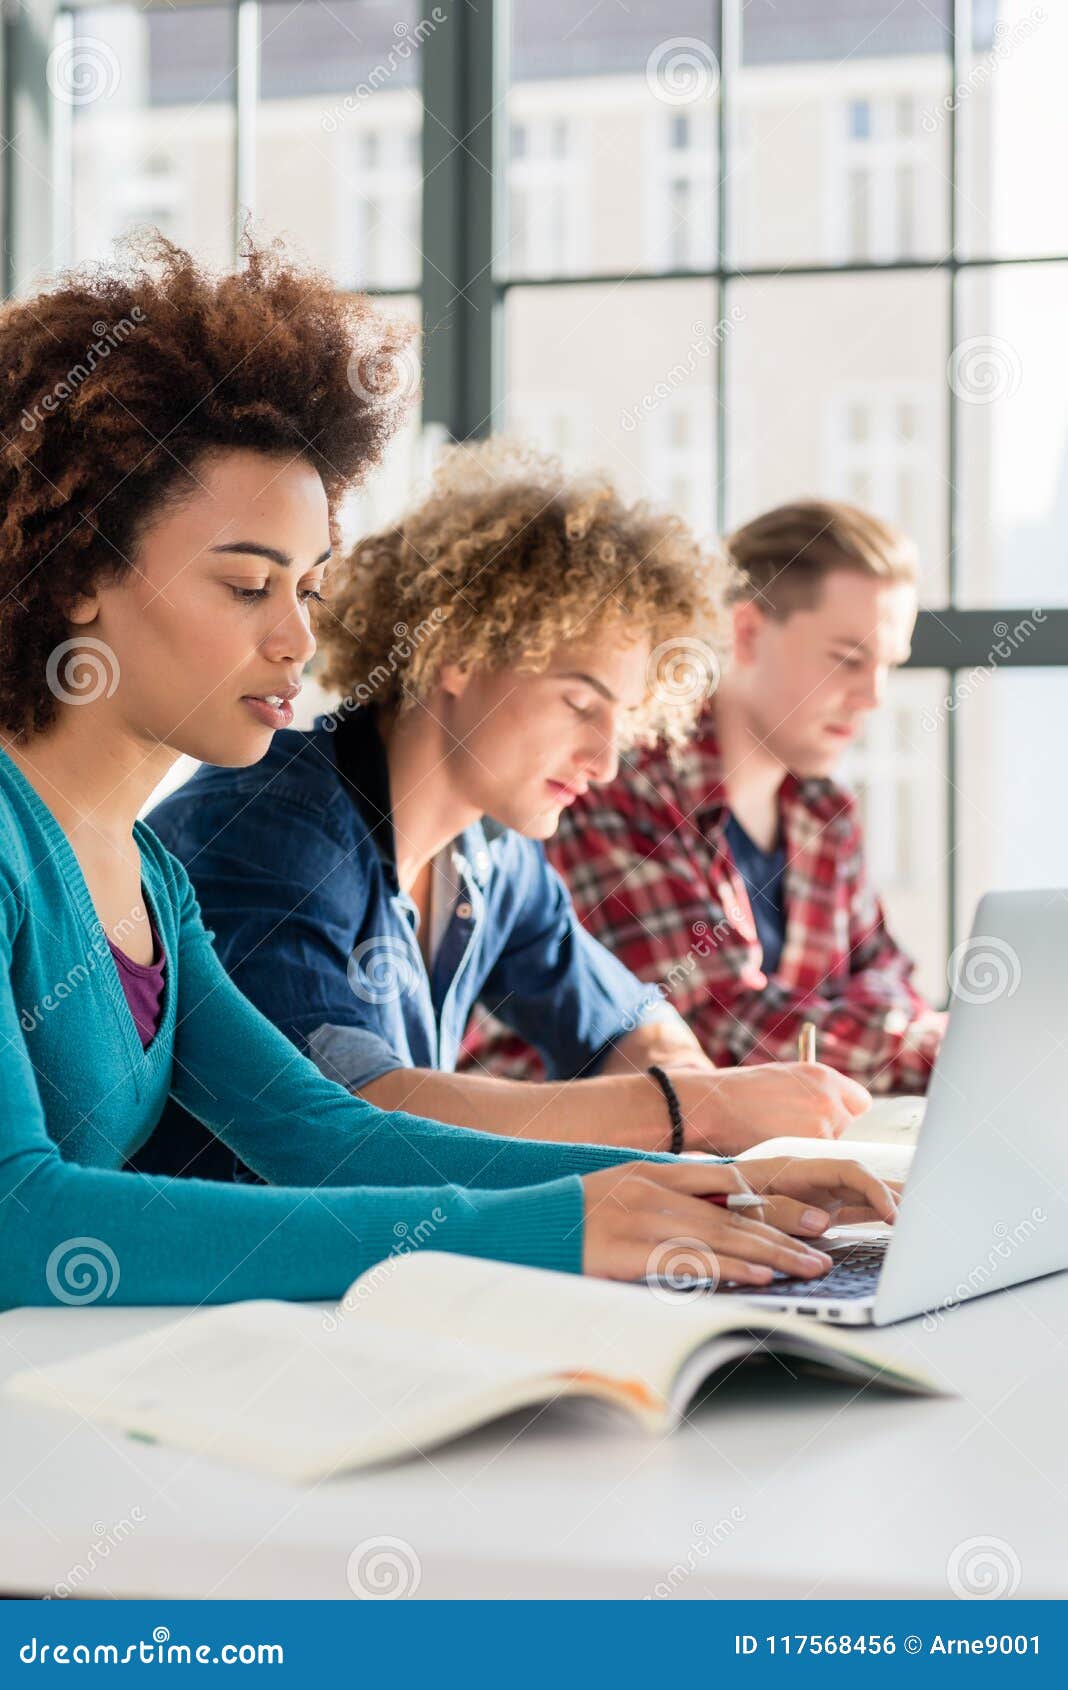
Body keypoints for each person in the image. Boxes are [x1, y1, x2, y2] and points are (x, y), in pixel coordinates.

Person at [0, 239, 895, 1308]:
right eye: (247, 587)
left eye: (312, 589)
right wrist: (553, 1227)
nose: (298, 638)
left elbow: (330, 1138)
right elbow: (23, 1223)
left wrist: (708, 1185)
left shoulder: (154, 881)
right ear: (78, 576)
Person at [148, 445, 869, 1163]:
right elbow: (352, 1119)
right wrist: (690, 1109)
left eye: (625, 716)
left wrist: (688, 1088)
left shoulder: (493, 856)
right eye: (580, 703)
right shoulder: (266, 825)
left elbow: (628, 1027)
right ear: (460, 652)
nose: (606, 759)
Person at [496, 499, 946, 1094]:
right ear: (748, 631)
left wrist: (906, 1032)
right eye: (847, 660)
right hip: (588, 1166)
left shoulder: (826, 813)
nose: (873, 697)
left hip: (774, 1164)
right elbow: (715, 1031)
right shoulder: (619, 781)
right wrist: (929, 1046)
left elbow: (886, 974)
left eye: (888, 666)